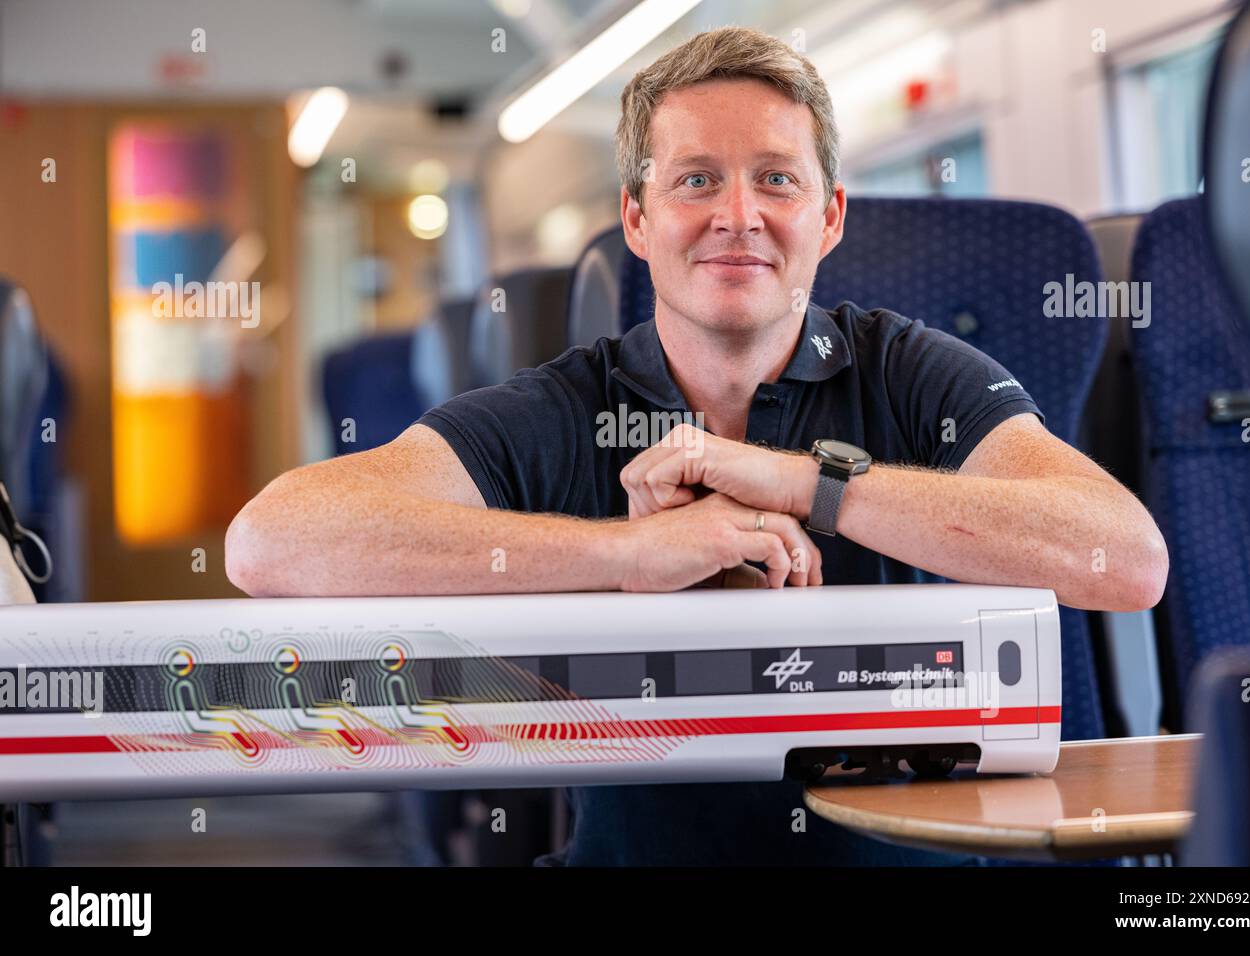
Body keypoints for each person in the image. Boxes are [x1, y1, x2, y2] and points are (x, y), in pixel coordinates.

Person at [225, 26, 1168, 865]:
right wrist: (630, 555)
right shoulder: (565, 406)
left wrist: (810, 484)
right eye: (696, 180)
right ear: (637, 219)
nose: (738, 216)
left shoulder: (910, 373)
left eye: (776, 179)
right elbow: (272, 541)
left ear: (829, 215)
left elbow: (1123, 558)